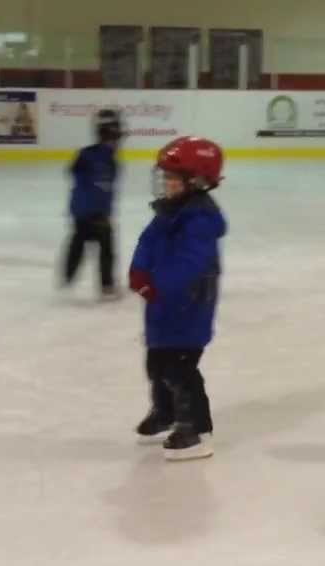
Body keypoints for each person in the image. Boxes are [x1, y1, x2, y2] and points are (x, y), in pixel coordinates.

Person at [129, 136, 227, 461]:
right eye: (165, 176)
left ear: (196, 180)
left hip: (188, 305)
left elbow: (190, 266)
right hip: (163, 305)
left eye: (172, 177)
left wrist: (159, 289)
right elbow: (147, 241)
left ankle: (197, 431)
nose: (166, 183)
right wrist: (139, 270)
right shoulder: (169, 211)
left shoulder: (199, 221)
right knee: (156, 362)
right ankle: (166, 412)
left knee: (180, 368)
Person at [63, 109, 123, 300]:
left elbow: (73, 172)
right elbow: (77, 173)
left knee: (79, 241)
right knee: (105, 249)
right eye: (115, 138)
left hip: (84, 211)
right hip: (92, 211)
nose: (117, 143)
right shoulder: (96, 157)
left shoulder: (97, 156)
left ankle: (68, 274)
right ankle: (106, 286)